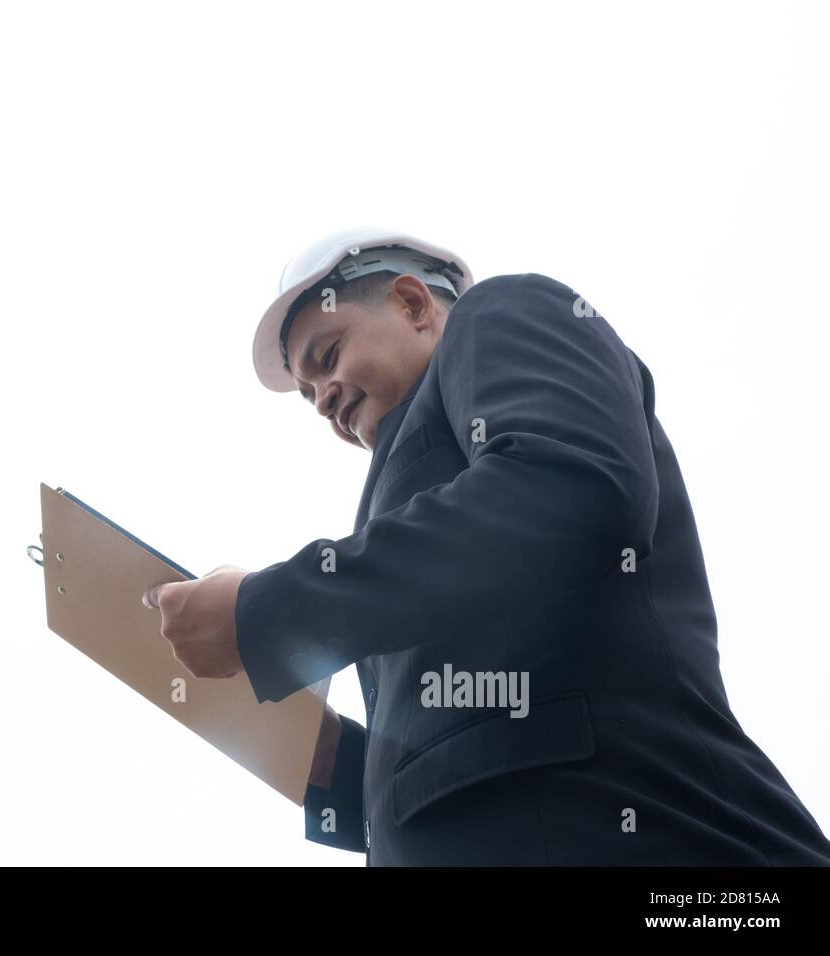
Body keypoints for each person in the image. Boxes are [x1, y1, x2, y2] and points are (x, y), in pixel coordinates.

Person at [141, 228, 830, 865]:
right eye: (308, 392)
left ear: (413, 302)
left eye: (328, 356)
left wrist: (267, 612)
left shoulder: (501, 311)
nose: (322, 399)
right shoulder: (412, 520)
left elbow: (570, 490)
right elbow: (471, 749)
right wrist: (336, 761)